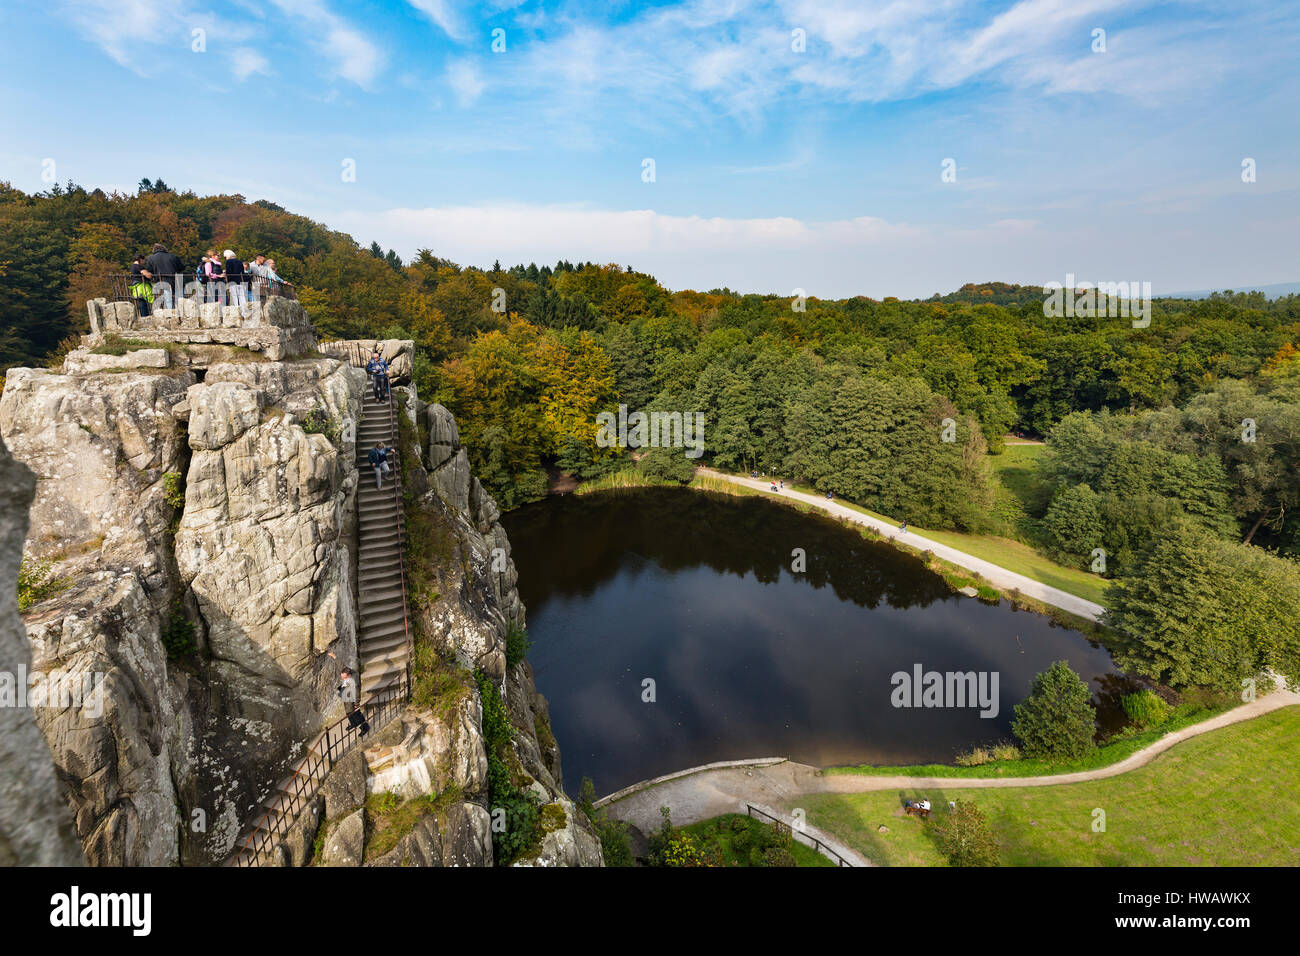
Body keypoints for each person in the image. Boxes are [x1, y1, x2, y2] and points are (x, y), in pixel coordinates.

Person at [144, 243, 186, 308]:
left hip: (161, 281)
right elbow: (181, 267)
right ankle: (180, 312)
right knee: (179, 298)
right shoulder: (172, 256)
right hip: (176, 280)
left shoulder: (151, 258)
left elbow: (149, 270)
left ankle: (170, 314)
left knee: (168, 299)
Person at [336, 666, 369, 737]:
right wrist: (334, 657)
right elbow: (343, 665)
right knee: (348, 713)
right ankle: (353, 723)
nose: (343, 679)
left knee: (356, 714)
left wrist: (356, 703)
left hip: (352, 701)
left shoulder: (354, 682)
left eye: (344, 677)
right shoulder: (348, 677)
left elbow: (357, 693)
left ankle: (365, 728)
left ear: (349, 675)